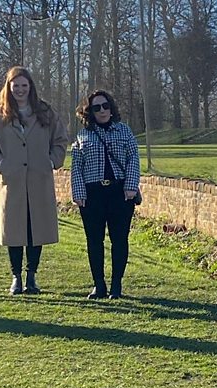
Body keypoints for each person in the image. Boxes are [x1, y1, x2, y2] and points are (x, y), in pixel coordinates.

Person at [0, 67, 69, 295]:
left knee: (35, 228)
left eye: (24, 85)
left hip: (39, 178)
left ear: (30, 87)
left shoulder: (46, 113)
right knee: (13, 229)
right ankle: (16, 277)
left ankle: (31, 276)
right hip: (12, 180)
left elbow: (60, 140)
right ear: (9, 88)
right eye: (16, 86)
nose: (20, 90)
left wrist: (52, 161)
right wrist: (0, 163)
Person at [70, 90, 140, 299]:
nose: (102, 111)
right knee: (94, 240)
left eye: (105, 106)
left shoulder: (124, 131)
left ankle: (116, 285)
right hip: (93, 194)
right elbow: (77, 166)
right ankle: (99, 285)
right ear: (89, 112)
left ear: (111, 108)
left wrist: (131, 186)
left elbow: (133, 159)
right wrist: (78, 193)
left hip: (119, 192)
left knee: (119, 239)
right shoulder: (83, 135)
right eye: (96, 107)